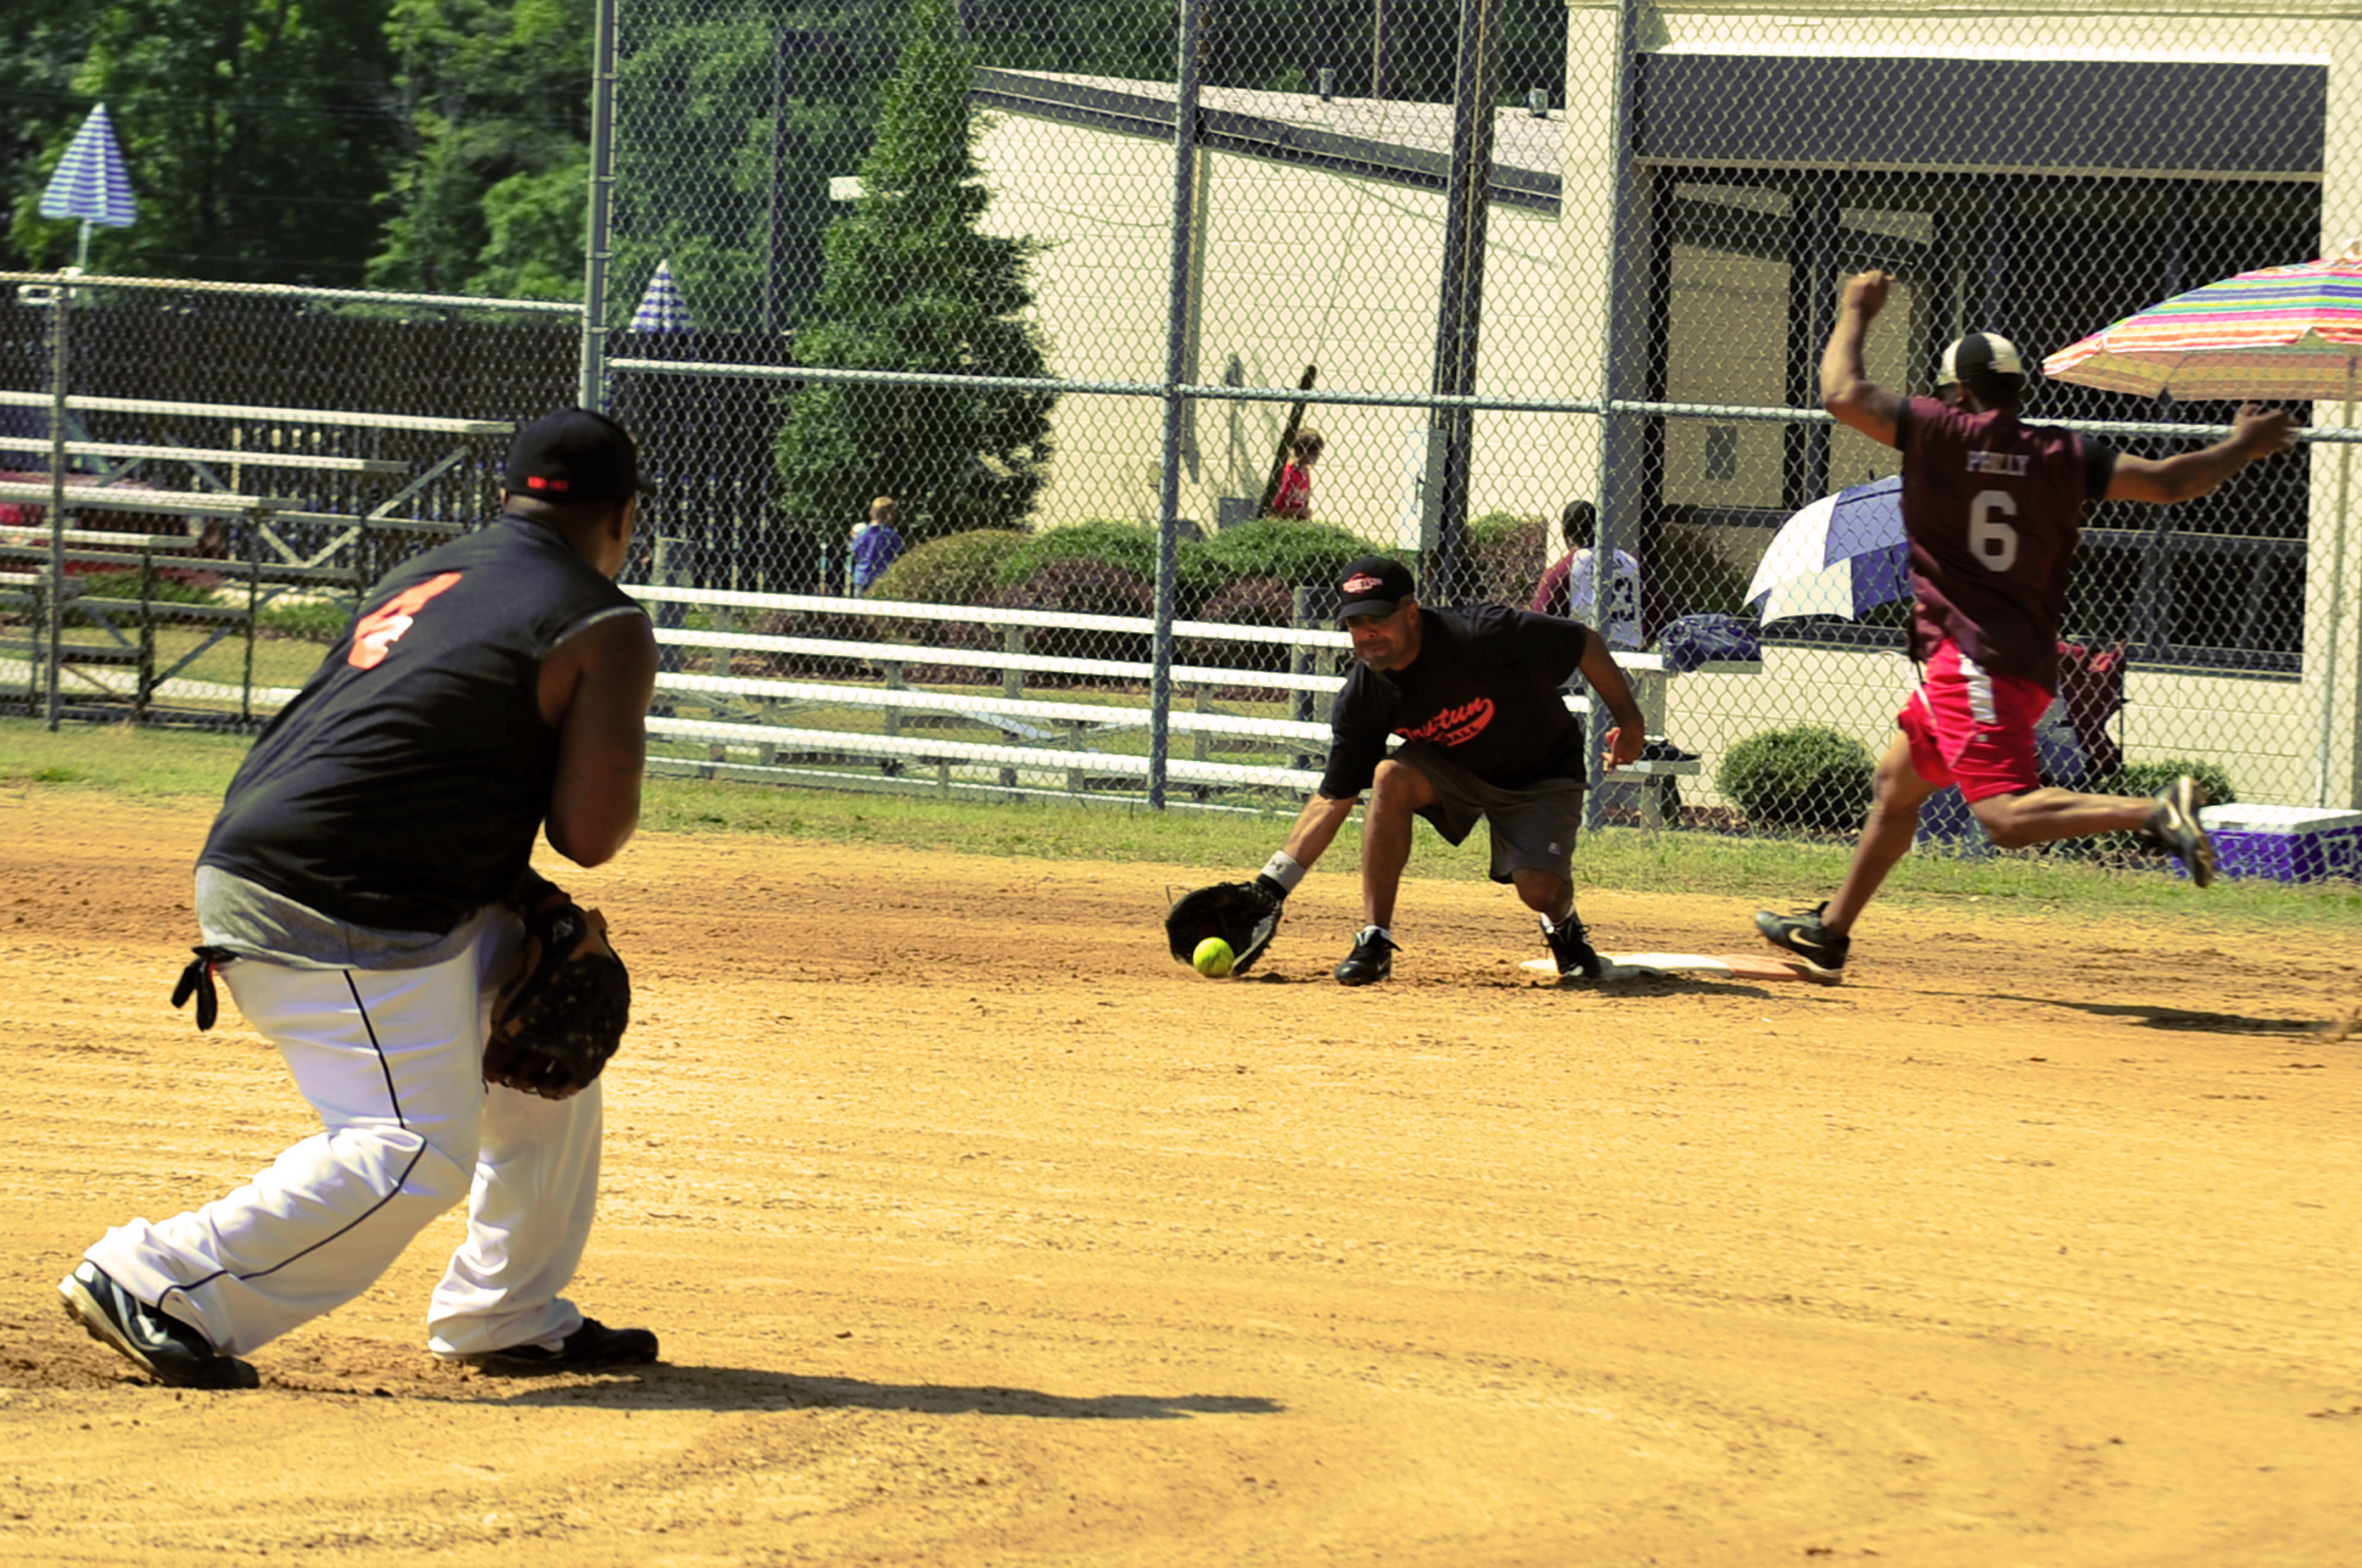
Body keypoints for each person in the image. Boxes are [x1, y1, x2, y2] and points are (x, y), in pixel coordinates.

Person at [59, 406, 662, 1388]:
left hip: (293, 861)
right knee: (415, 1144)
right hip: (339, 898)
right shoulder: (601, 619)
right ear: (625, 517)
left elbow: (402, 761)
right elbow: (591, 836)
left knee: (547, 1034)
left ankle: (507, 1309)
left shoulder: (427, 576)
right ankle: (155, 1279)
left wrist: (530, 906)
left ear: (504, 497)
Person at [1752, 271, 2298, 980]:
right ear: (2016, 392)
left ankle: (2153, 812)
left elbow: (1841, 393)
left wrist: (1856, 308)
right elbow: (2170, 482)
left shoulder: (1940, 431)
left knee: (2004, 818)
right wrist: (2240, 446)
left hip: (1972, 661)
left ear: (1956, 393)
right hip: (2023, 660)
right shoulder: (2059, 453)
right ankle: (1829, 934)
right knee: (1897, 784)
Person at [1240, 554, 1648, 985]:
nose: (1367, 632)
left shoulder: (1481, 634)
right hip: (1451, 767)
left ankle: (1564, 927)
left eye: (1378, 618)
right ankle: (1374, 939)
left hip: (1539, 768)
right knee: (1389, 776)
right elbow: (1334, 797)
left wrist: (1631, 724)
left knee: (1538, 888)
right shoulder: (1364, 694)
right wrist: (1271, 886)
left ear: (1411, 612)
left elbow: (1583, 641)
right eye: (1355, 622)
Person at [1531, 501, 1643, 652]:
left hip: (1584, 654)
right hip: (1628, 652)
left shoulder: (1563, 569)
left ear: (1565, 533)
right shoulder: (1630, 562)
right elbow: (1661, 615)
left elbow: (1536, 622)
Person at [850, 495, 905, 592]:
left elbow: (855, 551)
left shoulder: (862, 532)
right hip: (882, 576)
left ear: (871, 513)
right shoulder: (890, 534)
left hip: (862, 576)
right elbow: (898, 553)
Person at [1268, 427, 1323, 519]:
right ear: (1299, 452)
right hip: (1283, 519)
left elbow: (1305, 501)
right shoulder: (1288, 473)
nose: (1317, 456)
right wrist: (1299, 512)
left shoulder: (1305, 472)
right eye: (1313, 453)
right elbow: (1277, 507)